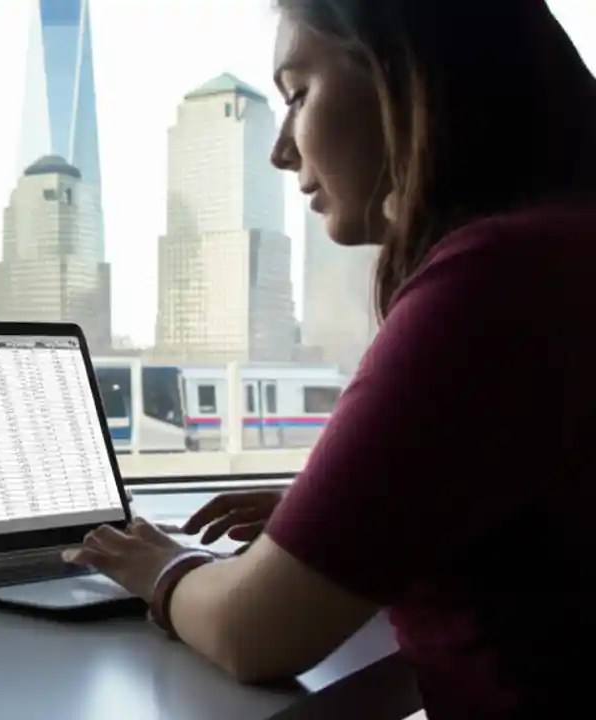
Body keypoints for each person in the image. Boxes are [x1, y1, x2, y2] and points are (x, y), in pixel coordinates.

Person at [63, 1, 596, 717]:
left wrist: (158, 565)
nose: (282, 150)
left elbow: (254, 631)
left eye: (298, 94)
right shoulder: (565, 248)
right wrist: (349, 522)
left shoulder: (496, 278)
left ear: (403, 75)